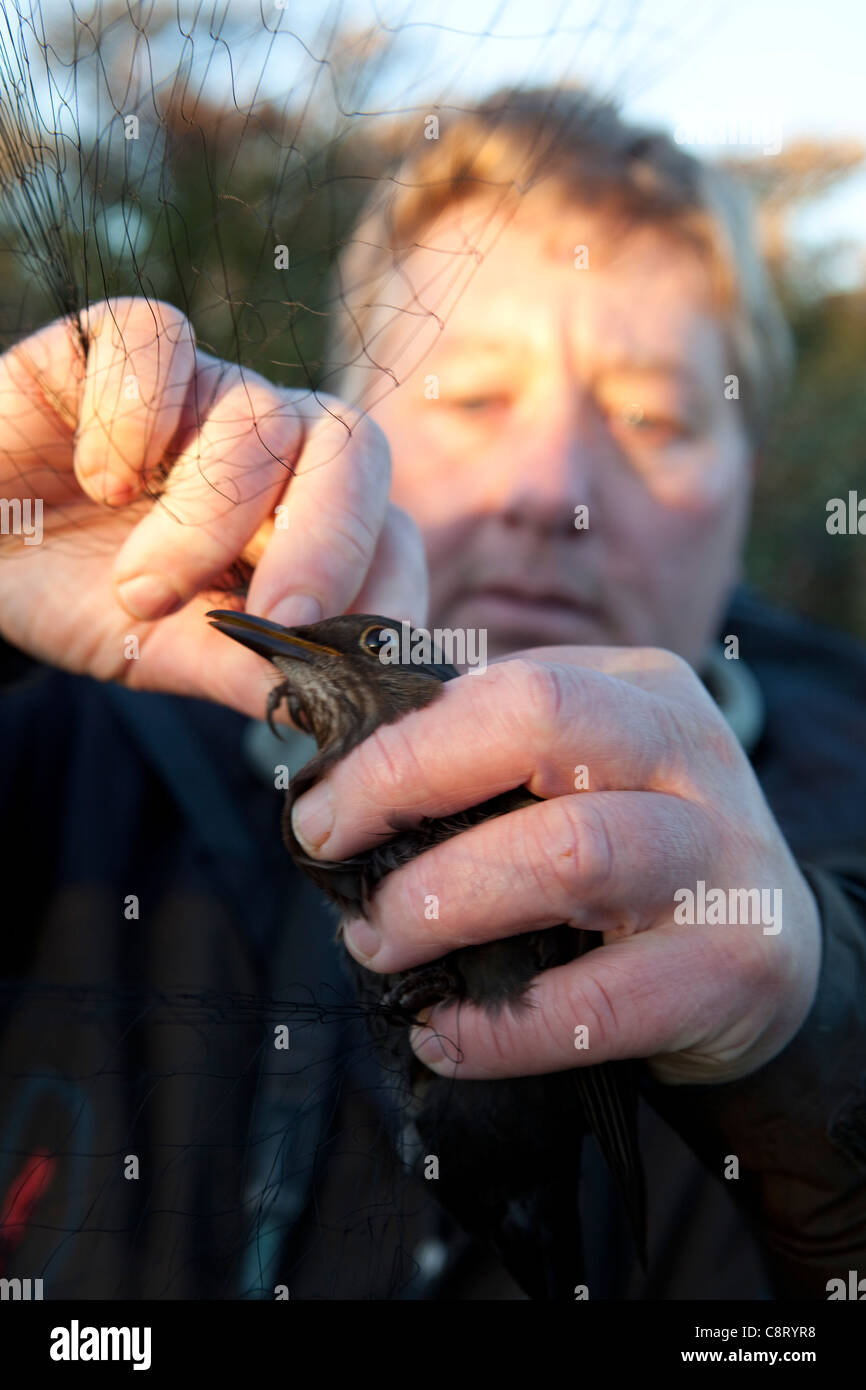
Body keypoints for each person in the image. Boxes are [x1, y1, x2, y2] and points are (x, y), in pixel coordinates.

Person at [0, 87, 863, 1300]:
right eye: (472, 397)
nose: (550, 485)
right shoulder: (66, 767)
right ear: (349, 425)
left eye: (653, 415)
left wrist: (811, 1026)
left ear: (744, 489)